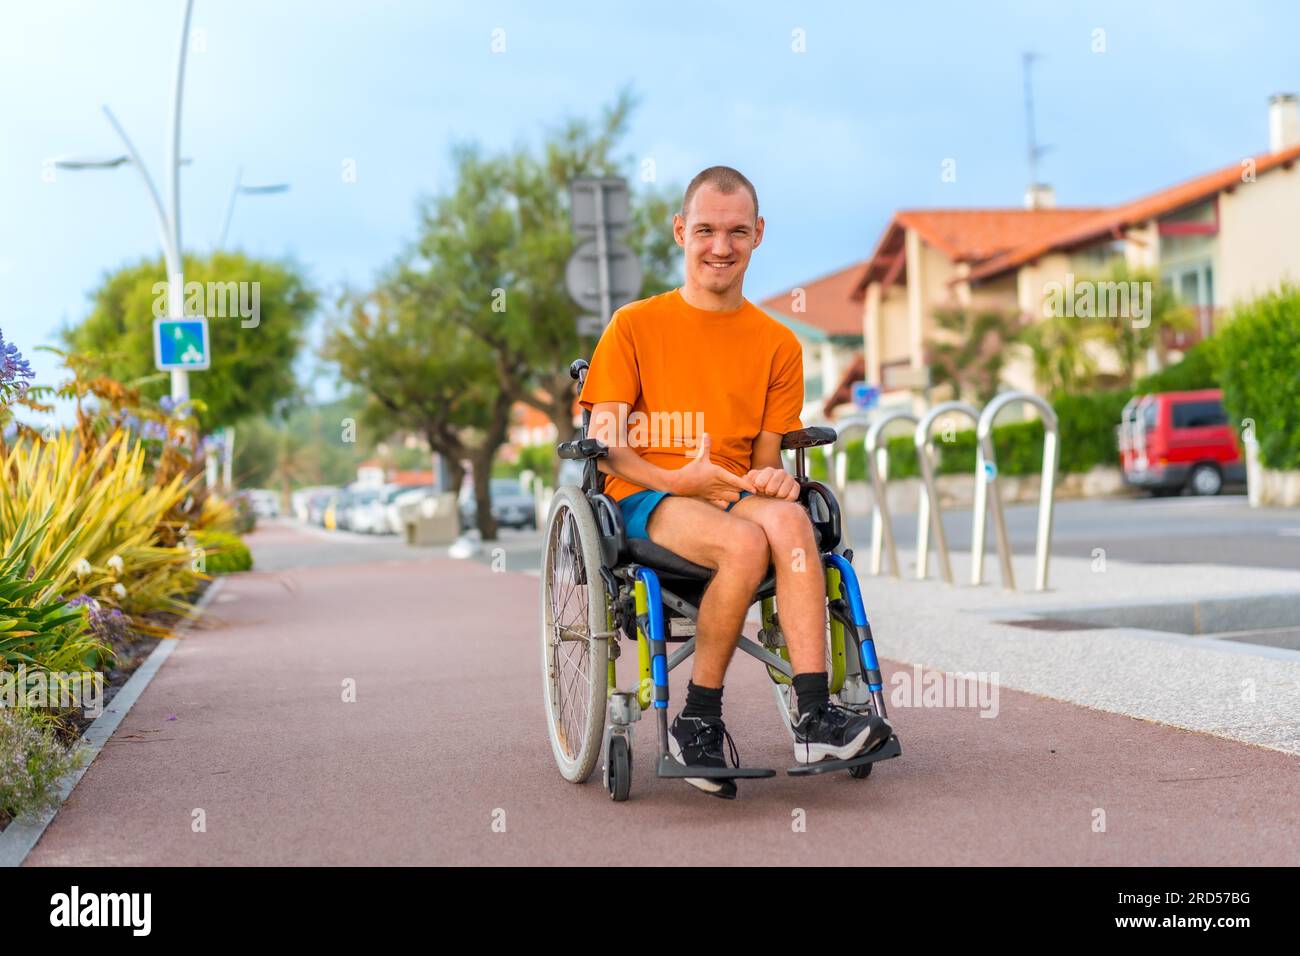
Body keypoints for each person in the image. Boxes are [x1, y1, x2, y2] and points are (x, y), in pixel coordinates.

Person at [578, 166, 891, 799]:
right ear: (680, 232)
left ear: (758, 235)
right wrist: (677, 478)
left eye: (737, 231)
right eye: (706, 230)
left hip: (729, 491)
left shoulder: (777, 342)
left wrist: (771, 481)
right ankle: (697, 720)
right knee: (745, 546)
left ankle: (813, 716)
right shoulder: (633, 326)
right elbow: (605, 446)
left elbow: (766, 457)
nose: (721, 246)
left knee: (792, 521)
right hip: (646, 495)